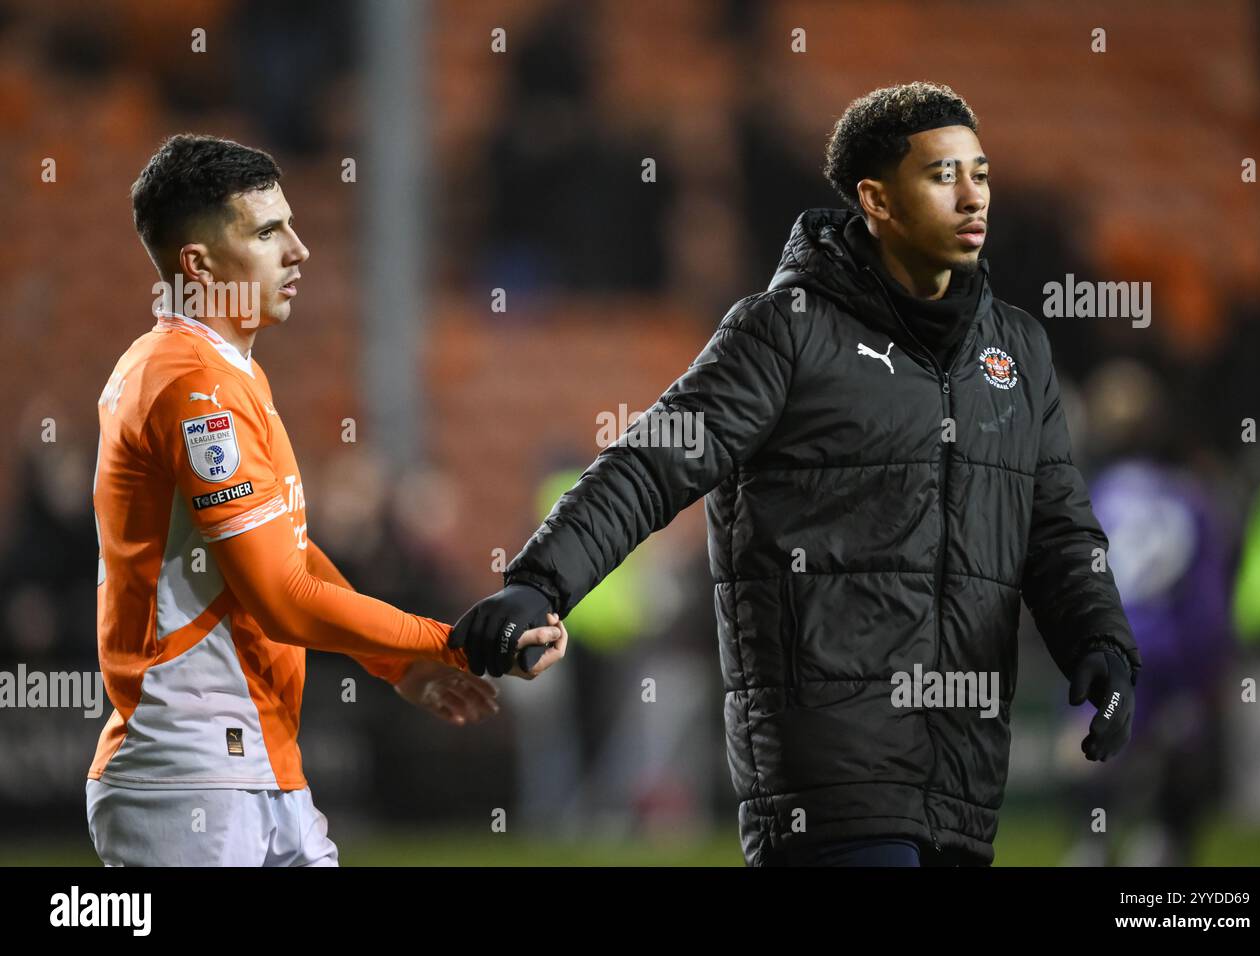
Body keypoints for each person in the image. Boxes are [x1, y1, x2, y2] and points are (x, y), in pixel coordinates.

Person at [451, 82, 1140, 867]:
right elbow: (649, 464)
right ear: (875, 200)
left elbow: (1056, 526)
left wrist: (1099, 637)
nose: (972, 194)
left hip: (964, 779)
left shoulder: (1018, 349)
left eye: (979, 172)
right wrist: (542, 582)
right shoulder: (786, 332)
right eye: (942, 175)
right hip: (829, 773)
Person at [87, 134, 567, 867]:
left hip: (249, 763)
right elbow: (281, 596)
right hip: (193, 777)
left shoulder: (213, 371)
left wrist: (394, 666)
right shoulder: (193, 387)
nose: (299, 250)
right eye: (268, 231)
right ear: (200, 264)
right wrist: (449, 641)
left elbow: (290, 552)